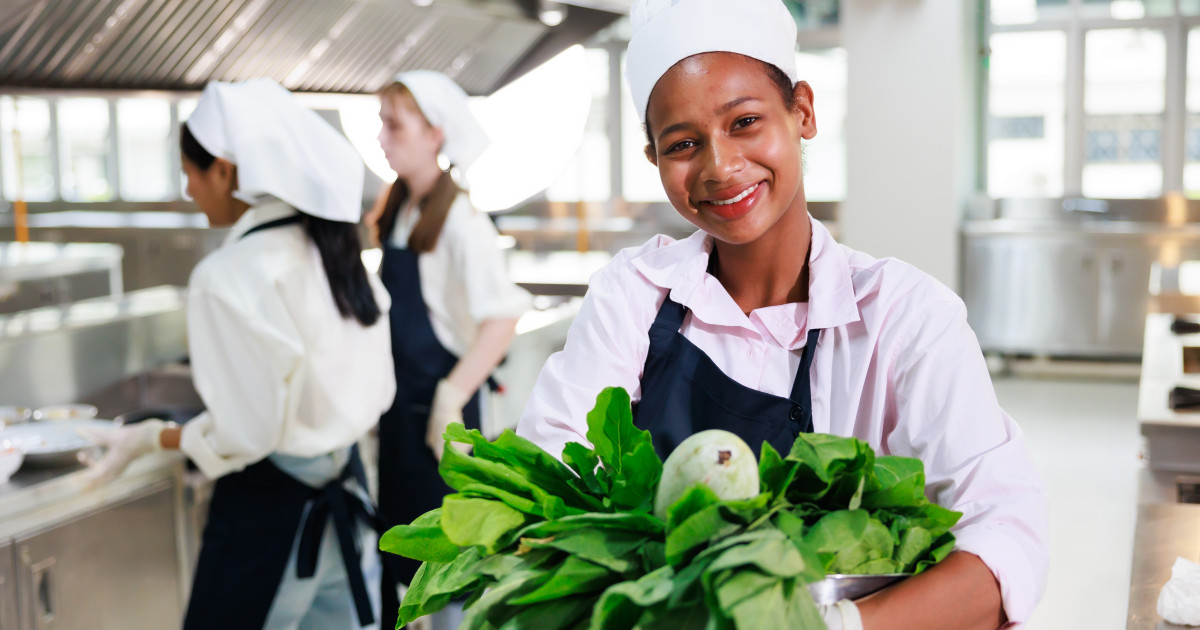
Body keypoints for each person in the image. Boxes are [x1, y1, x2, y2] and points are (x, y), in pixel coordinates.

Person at [515, 1, 1049, 629]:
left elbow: (1005, 545)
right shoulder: (633, 296)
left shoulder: (906, 318)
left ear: (803, 112)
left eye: (744, 122)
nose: (719, 167)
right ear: (654, 159)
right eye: (683, 144)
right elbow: (548, 485)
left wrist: (834, 626)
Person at [80, 78, 396, 630]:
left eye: (190, 173)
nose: (188, 190)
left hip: (272, 515)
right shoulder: (334, 251)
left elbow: (247, 434)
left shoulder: (226, 275)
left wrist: (152, 437)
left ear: (225, 171)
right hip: (346, 492)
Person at [367, 70, 532, 625]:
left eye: (395, 125)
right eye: (382, 124)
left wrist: (451, 396)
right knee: (409, 565)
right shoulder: (402, 208)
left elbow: (503, 317)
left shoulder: (461, 219)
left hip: (441, 424)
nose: (383, 138)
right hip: (401, 416)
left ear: (436, 133)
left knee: (449, 576)